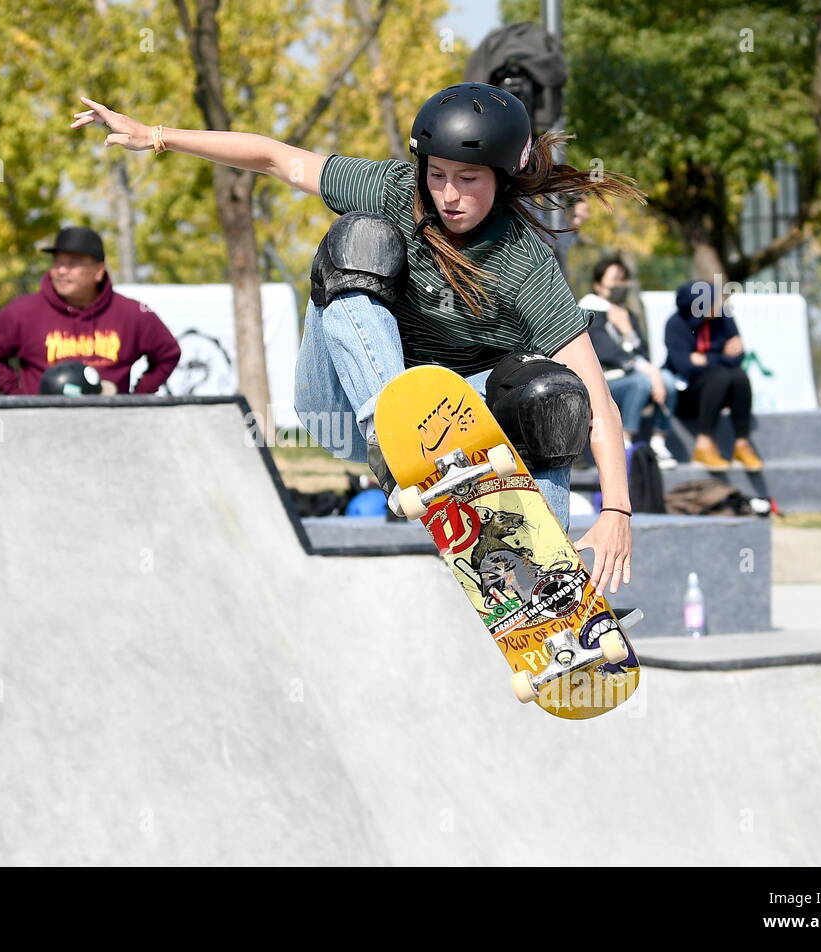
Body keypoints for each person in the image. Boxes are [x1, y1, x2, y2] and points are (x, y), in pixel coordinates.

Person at [72, 83, 645, 592]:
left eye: (468, 180)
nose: (448, 195)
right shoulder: (390, 189)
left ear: (502, 176)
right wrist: (156, 134)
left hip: (452, 416)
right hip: (345, 406)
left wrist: (616, 507)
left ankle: (545, 583)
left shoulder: (524, 262)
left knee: (550, 393)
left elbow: (597, 401)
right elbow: (276, 159)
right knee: (359, 240)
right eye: (438, 175)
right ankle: (397, 431)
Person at [0, 226, 181, 395]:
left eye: (73, 263)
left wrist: (138, 398)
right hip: (42, 425)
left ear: (99, 271)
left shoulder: (132, 313)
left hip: (108, 426)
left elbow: (168, 353)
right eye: (57, 262)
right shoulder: (23, 311)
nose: (62, 271)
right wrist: (18, 395)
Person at [579, 256, 678, 468]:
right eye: (615, 279)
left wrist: (628, 332)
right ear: (598, 284)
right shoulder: (589, 309)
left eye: (623, 280)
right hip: (604, 380)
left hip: (631, 374)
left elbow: (643, 351)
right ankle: (625, 441)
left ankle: (659, 441)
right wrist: (647, 371)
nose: (620, 286)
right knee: (641, 381)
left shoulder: (626, 313)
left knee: (668, 379)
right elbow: (606, 352)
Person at [662, 280, 763, 471]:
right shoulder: (676, 324)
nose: (719, 304)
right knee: (721, 375)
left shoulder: (724, 318)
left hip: (718, 391)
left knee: (739, 376)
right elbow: (685, 367)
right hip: (687, 396)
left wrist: (704, 359)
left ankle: (742, 443)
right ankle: (703, 443)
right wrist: (722, 356)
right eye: (712, 300)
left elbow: (738, 356)